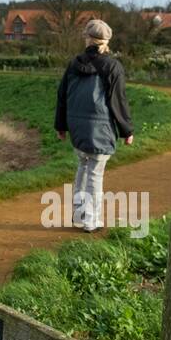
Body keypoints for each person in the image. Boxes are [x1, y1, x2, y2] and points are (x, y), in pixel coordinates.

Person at [54, 19, 134, 231]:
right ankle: (91, 221)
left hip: (77, 127)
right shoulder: (112, 66)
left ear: (87, 39)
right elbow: (119, 101)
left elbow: (62, 95)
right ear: (106, 42)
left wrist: (60, 126)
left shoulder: (73, 64)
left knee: (83, 166)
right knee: (95, 173)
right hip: (100, 127)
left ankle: (79, 215)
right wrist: (127, 130)